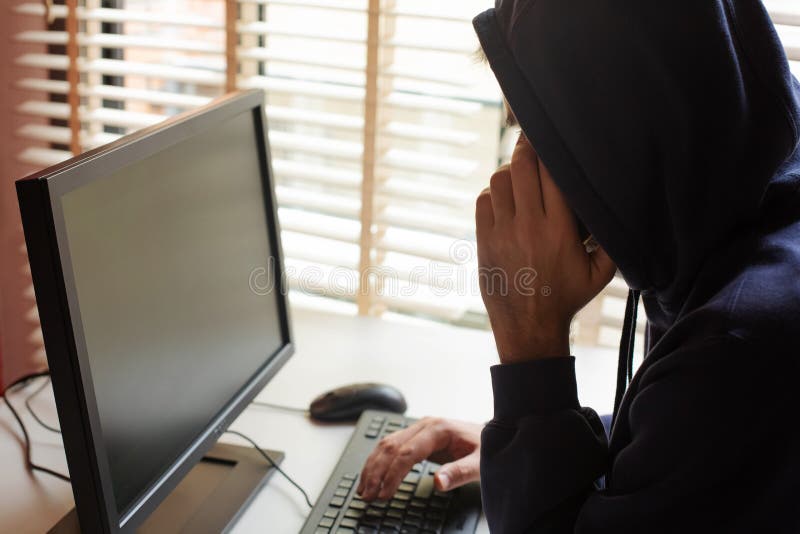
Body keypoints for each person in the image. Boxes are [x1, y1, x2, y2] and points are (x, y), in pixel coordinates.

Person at [358, 1, 800, 532]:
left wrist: (530, 350)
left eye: (540, 131)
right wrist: (529, 440)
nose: (521, 167)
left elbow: (708, 407)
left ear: (619, 127)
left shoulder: (736, 344)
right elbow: (687, 455)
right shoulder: (737, 207)